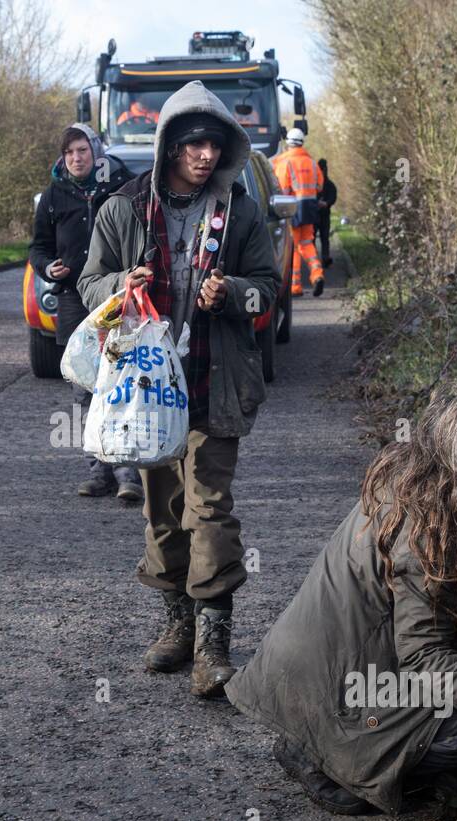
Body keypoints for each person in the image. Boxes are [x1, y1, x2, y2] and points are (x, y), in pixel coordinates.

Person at [226, 384, 457, 814]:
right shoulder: (427, 540)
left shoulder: (414, 482)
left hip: (309, 675)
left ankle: (321, 745)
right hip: (335, 688)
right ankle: (337, 773)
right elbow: (424, 657)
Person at [79, 81, 279, 699]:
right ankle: (178, 628)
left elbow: (269, 287)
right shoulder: (122, 209)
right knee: (161, 508)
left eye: (214, 144)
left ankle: (214, 647)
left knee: (209, 507)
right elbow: (88, 287)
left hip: (215, 385)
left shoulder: (242, 211)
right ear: (169, 145)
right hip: (146, 393)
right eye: (192, 142)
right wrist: (121, 286)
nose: (204, 154)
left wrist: (236, 294)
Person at [28, 124, 138, 500]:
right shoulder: (54, 195)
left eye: (83, 151)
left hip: (116, 295)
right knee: (85, 390)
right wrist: (47, 268)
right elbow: (38, 247)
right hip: (74, 299)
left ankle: (129, 475)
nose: (76, 158)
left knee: (121, 384)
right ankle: (98, 472)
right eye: (70, 153)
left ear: (96, 152)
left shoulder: (123, 187)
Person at [271, 128, 324, 297]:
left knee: (292, 245)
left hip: (292, 208)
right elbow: (319, 186)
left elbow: (281, 190)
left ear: (288, 142)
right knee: (307, 242)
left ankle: (295, 286)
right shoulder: (312, 163)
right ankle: (317, 275)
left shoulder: (284, 163)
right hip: (310, 208)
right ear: (302, 142)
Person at [317, 157, 337, 267]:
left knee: (325, 237)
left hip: (324, 214)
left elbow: (333, 197)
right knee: (314, 238)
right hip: (315, 214)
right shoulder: (314, 184)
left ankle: (325, 258)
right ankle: (315, 261)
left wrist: (326, 203)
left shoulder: (329, 185)